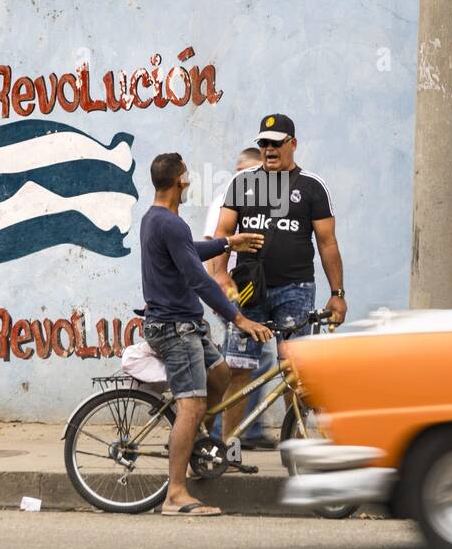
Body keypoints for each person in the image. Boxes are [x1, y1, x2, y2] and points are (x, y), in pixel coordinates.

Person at [139, 152, 272, 516]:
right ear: (181, 180)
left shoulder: (156, 219)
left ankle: (199, 443)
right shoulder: (170, 223)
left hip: (187, 323)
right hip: (174, 327)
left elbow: (187, 253)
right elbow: (198, 277)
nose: (189, 180)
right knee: (192, 404)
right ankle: (175, 494)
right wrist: (238, 318)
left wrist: (229, 243)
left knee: (222, 375)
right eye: (187, 175)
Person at [212, 114, 346, 443]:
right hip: (248, 293)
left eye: (276, 143)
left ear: (293, 145)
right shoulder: (242, 184)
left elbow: (327, 243)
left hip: (296, 290)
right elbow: (223, 233)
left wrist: (337, 293)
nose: (269, 149)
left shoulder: (312, 186)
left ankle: (294, 450)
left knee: (296, 371)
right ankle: (230, 451)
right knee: (239, 370)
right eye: (264, 143)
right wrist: (218, 275)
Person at [203, 147, 276, 447]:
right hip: (233, 291)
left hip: (246, 290)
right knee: (249, 361)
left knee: (251, 359)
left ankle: (243, 428)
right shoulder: (227, 199)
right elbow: (213, 243)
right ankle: (227, 431)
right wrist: (224, 287)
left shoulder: (260, 198)